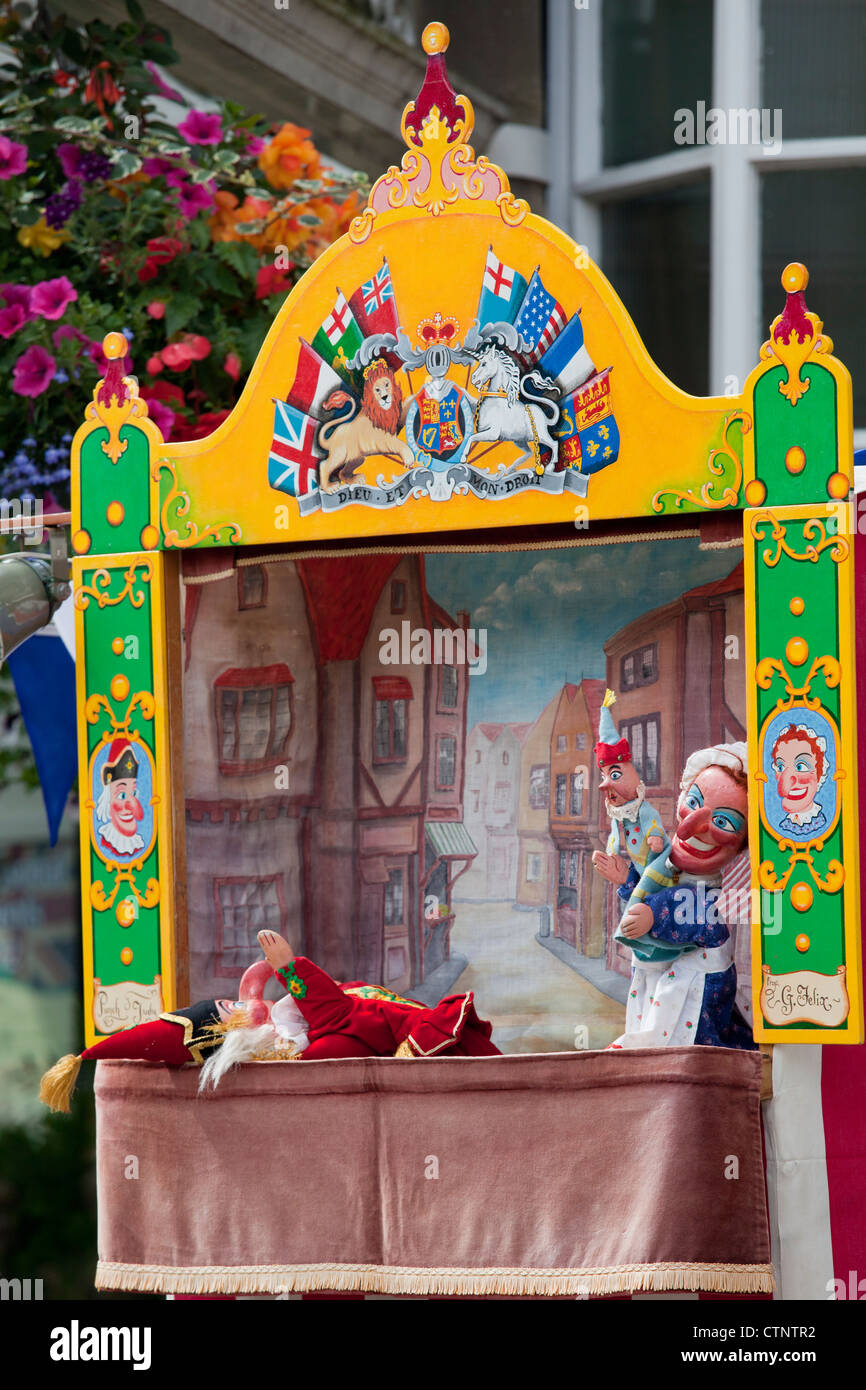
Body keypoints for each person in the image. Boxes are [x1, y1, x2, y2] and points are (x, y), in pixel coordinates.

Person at [595, 742, 756, 1049]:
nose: (694, 827)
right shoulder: (663, 867)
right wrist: (628, 880)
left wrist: (654, 915)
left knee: (680, 1027)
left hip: (696, 986)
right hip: (661, 974)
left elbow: (701, 918)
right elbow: (655, 888)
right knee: (654, 1012)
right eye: (693, 803)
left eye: (723, 822)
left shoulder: (708, 893)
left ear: (741, 844)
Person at [590, 689, 675, 961]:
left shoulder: (643, 809)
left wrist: (655, 840)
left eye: (614, 775)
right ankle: (641, 927)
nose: (607, 785)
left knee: (652, 888)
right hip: (640, 868)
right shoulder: (619, 817)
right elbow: (615, 837)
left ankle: (641, 919)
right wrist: (613, 856)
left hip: (658, 861)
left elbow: (652, 824)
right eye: (604, 777)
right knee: (642, 892)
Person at [771, 723, 828, 836]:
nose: (789, 779)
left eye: (800, 767)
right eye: (781, 767)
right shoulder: (782, 826)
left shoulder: (822, 823)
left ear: (820, 774)